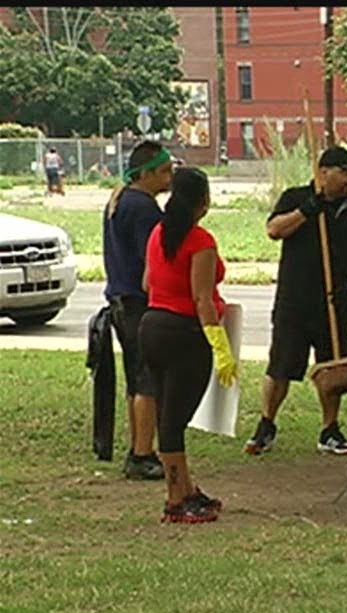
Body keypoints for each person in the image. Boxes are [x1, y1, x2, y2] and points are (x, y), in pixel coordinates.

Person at [244, 146, 347, 456]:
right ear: (323, 172)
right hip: (295, 301)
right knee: (280, 366)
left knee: (332, 368)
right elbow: (273, 230)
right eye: (344, 171)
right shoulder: (295, 197)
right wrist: (308, 209)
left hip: (335, 303)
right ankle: (266, 424)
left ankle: (329, 429)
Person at [138, 167, 236, 523]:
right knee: (175, 418)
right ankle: (175, 497)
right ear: (204, 201)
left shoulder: (158, 233)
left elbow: (147, 282)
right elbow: (201, 298)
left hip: (152, 326)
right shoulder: (200, 241)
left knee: (167, 408)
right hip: (185, 333)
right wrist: (220, 344)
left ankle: (186, 488)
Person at [102, 140, 175, 480]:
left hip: (119, 299)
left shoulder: (117, 202)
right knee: (148, 380)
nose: (170, 177)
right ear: (144, 174)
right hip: (138, 301)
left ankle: (137, 447)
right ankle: (143, 453)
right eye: (164, 171)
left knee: (135, 379)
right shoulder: (145, 210)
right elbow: (154, 261)